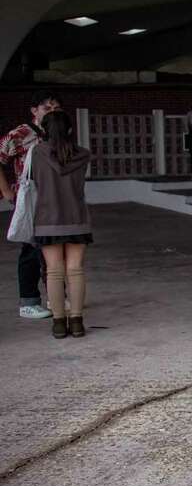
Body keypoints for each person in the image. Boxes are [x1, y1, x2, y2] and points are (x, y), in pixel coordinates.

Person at [29, 111, 93, 339]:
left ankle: (58, 323)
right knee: (75, 270)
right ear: (69, 129)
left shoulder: (37, 153)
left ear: (45, 131)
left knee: (54, 272)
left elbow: (34, 182)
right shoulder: (83, 154)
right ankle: (76, 321)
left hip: (47, 219)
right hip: (77, 219)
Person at [0, 89, 62, 320]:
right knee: (31, 247)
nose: (52, 112)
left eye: (56, 108)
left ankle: (55, 295)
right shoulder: (21, 134)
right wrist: (7, 191)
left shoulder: (59, 132)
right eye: (47, 108)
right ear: (34, 110)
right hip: (29, 197)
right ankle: (29, 300)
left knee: (54, 245)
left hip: (54, 198)